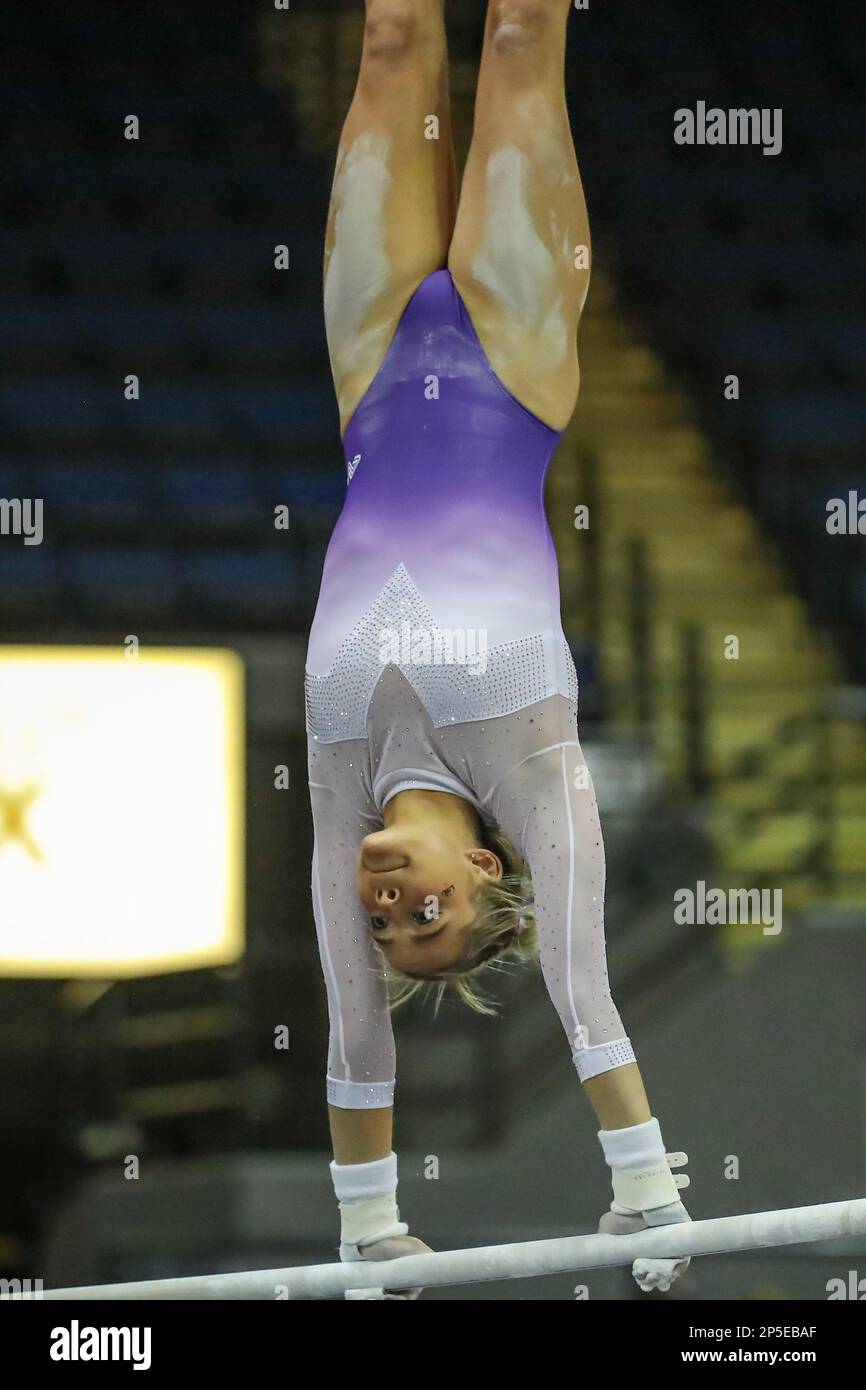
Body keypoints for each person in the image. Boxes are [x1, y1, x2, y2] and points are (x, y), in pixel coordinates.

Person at [306, 0, 690, 1298]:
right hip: (510, 370)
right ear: (482, 864)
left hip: (369, 376)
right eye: (433, 916)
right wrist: (643, 1189)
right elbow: (583, 986)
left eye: (386, 928)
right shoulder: (531, 763)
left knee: (391, 43)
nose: (389, 905)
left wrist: (368, 1228)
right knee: (523, 33)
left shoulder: (339, 787)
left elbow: (353, 1033)